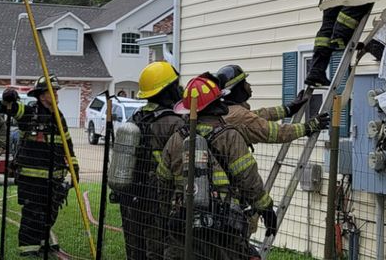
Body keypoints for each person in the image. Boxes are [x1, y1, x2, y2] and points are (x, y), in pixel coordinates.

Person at [157, 74, 278, 259]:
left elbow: (163, 180)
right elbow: (248, 179)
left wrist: (169, 212)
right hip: (223, 229)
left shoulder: (176, 139)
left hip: (182, 224)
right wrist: (266, 209)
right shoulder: (229, 136)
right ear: (216, 104)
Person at [1, 75, 79, 257]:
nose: (57, 95)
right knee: (33, 213)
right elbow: (11, 108)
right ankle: (28, 249)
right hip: (32, 179)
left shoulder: (59, 117)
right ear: (42, 95)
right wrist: (8, 97)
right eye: (53, 91)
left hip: (55, 177)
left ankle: (43, 243)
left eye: (57, 91)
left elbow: (68, 145)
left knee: (50, 212)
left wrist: (74, 167)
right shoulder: (30, 113)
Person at [116, 61, 185, 260]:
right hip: (158, 199)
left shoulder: (135, 118)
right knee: (156, 250)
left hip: (131, 195)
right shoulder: (175, 123)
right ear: (168, 90)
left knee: (134, 248)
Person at [216, 64, 330, 145]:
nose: (248, 85)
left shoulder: (227, 111)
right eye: (244, 83)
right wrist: (308, 127)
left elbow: (259, 115)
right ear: (238, 89)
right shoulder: (240, 115)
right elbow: (276, 132)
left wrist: (288, 109)